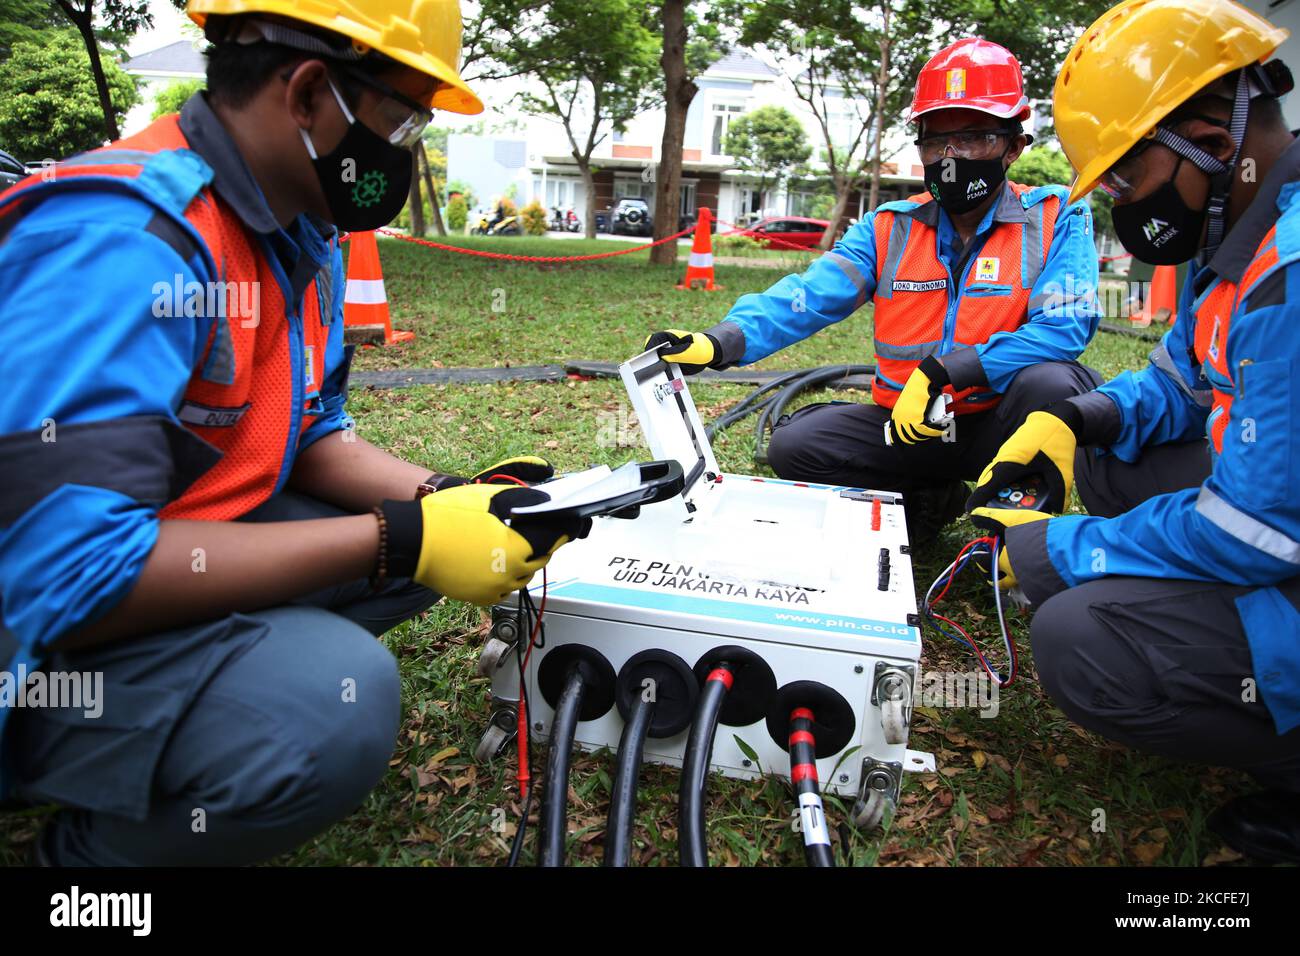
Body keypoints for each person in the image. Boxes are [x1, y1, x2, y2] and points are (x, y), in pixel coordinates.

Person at [0, 0, 583, 866]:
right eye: (402, 116)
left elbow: (309, 433)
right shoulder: (125, 239)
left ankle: (174, 715)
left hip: (139, 563)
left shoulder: (299, 227)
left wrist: (450, 500)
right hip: (32, 631)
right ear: (311, 91)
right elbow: (67, 575)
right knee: (327, 705)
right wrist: (398, 537)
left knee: (415, 553)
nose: (406, 146)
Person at [966, 0, 1300, 864]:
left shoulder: (1289, 279)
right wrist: (1071, 419)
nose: (1120, 202)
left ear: (1214, 142)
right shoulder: (1244, 243)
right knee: (1120, 458)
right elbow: (1178, 383)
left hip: (1278, 538)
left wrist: (1054, 551)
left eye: (1123, 176)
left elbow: (1257, 532)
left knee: (1079, 641)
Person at [646, 38, 1102, 544]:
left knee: (1055, 385)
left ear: (1014, 146)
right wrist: (721, 341)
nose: (951, 158)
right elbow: (809, 295)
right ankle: (927, 500)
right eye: (936, 142)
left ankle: (1015, 535)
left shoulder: (1058, 216)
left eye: (972, 137)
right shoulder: (889, 228)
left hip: (1001, 425)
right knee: (795, 446)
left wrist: (947, 371)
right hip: (911, 428)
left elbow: (1064, 327)